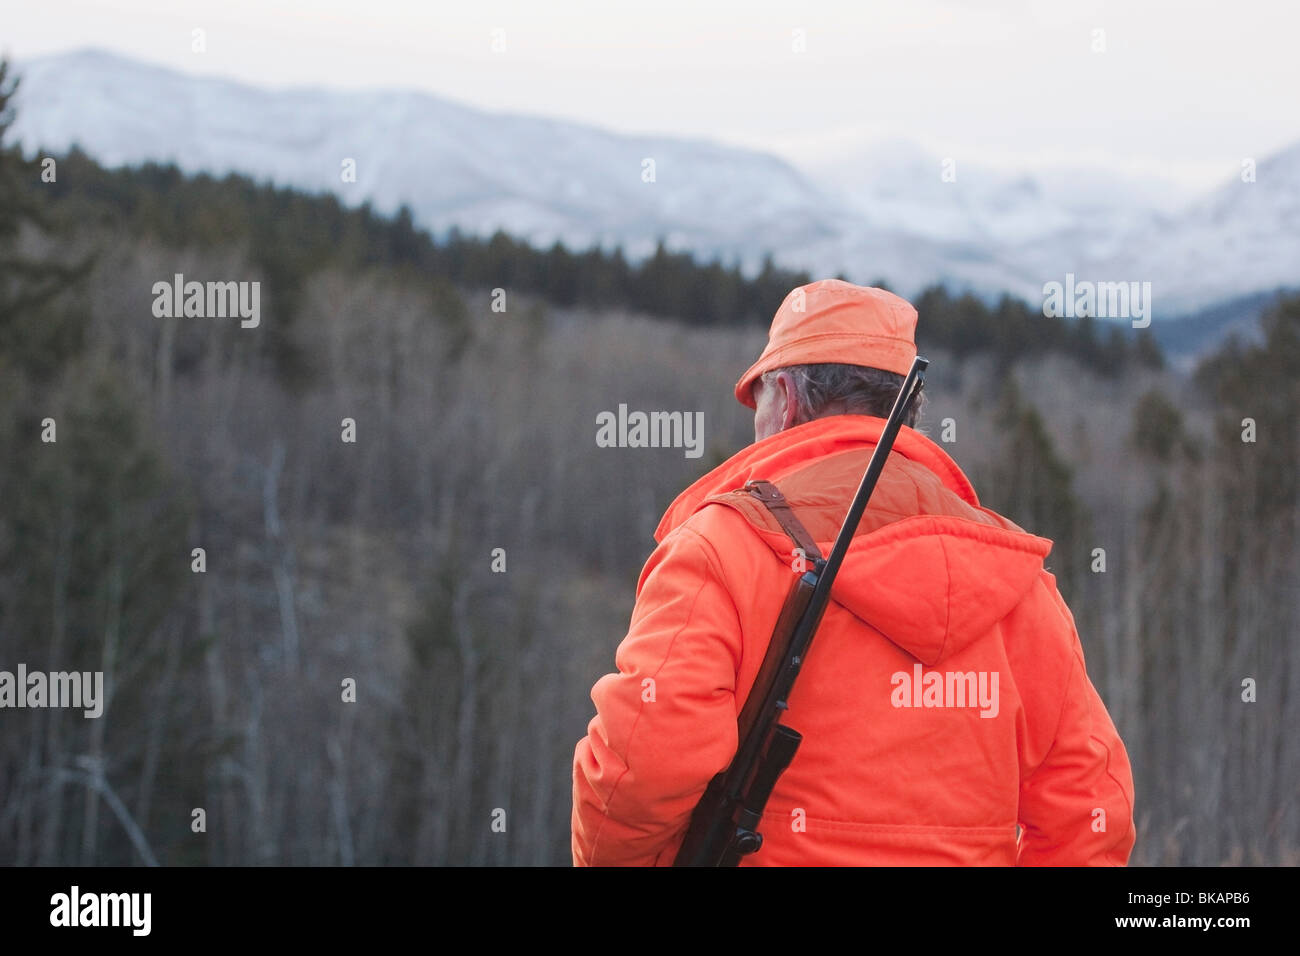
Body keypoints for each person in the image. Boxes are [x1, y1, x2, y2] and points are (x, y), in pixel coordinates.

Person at [571, 279, 1136, 866]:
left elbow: (638, 772)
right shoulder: (1016, 580)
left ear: (785, 398)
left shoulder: (719, 550)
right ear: (906, 410)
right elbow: (1090, 811)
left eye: (758, 399)